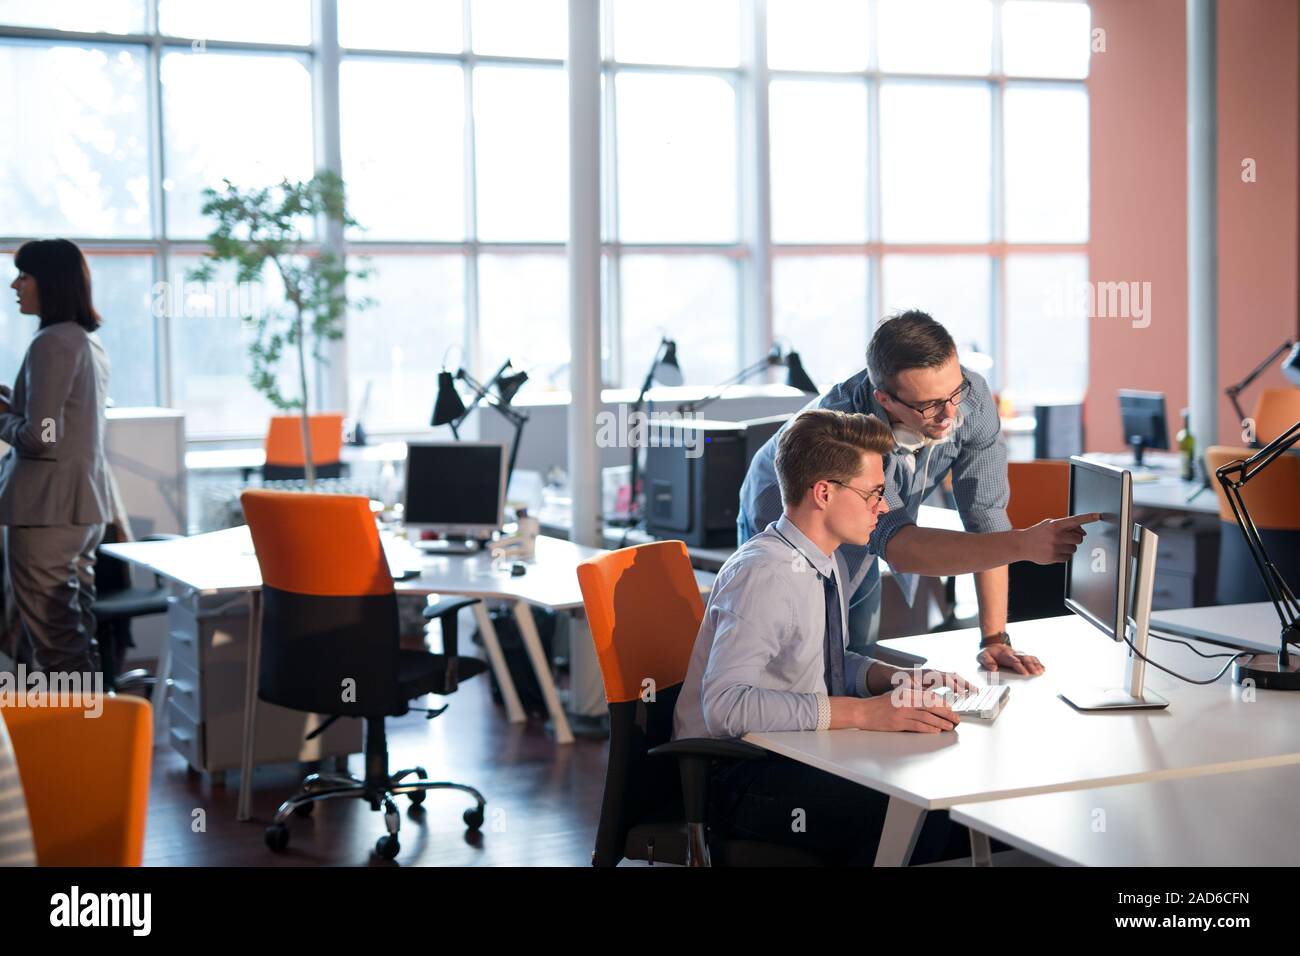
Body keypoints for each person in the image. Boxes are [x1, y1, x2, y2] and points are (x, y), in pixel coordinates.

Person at [739, 310, 1093, 674]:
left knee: (854, 650)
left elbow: (986, 520)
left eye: (954, 392)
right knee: (800, 663)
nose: (948, 414)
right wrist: (1025, 545)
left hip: (866, 522)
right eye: (928, 405)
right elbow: (900, 546)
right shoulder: (843, 432)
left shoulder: (969, 399)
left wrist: (994, 640)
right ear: (885, 399)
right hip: (793, 515)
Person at [0, 239, 113, 675]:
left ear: (49, 282)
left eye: (24, 276)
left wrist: (3, 420)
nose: (15, 285)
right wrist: (17, 408)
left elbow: (42, 436)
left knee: (55, 644)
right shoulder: (84, 342)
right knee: (74, 634)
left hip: (45, 513)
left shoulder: (50, 343)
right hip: (81, 510)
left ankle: (74, 739)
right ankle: (97, 730)